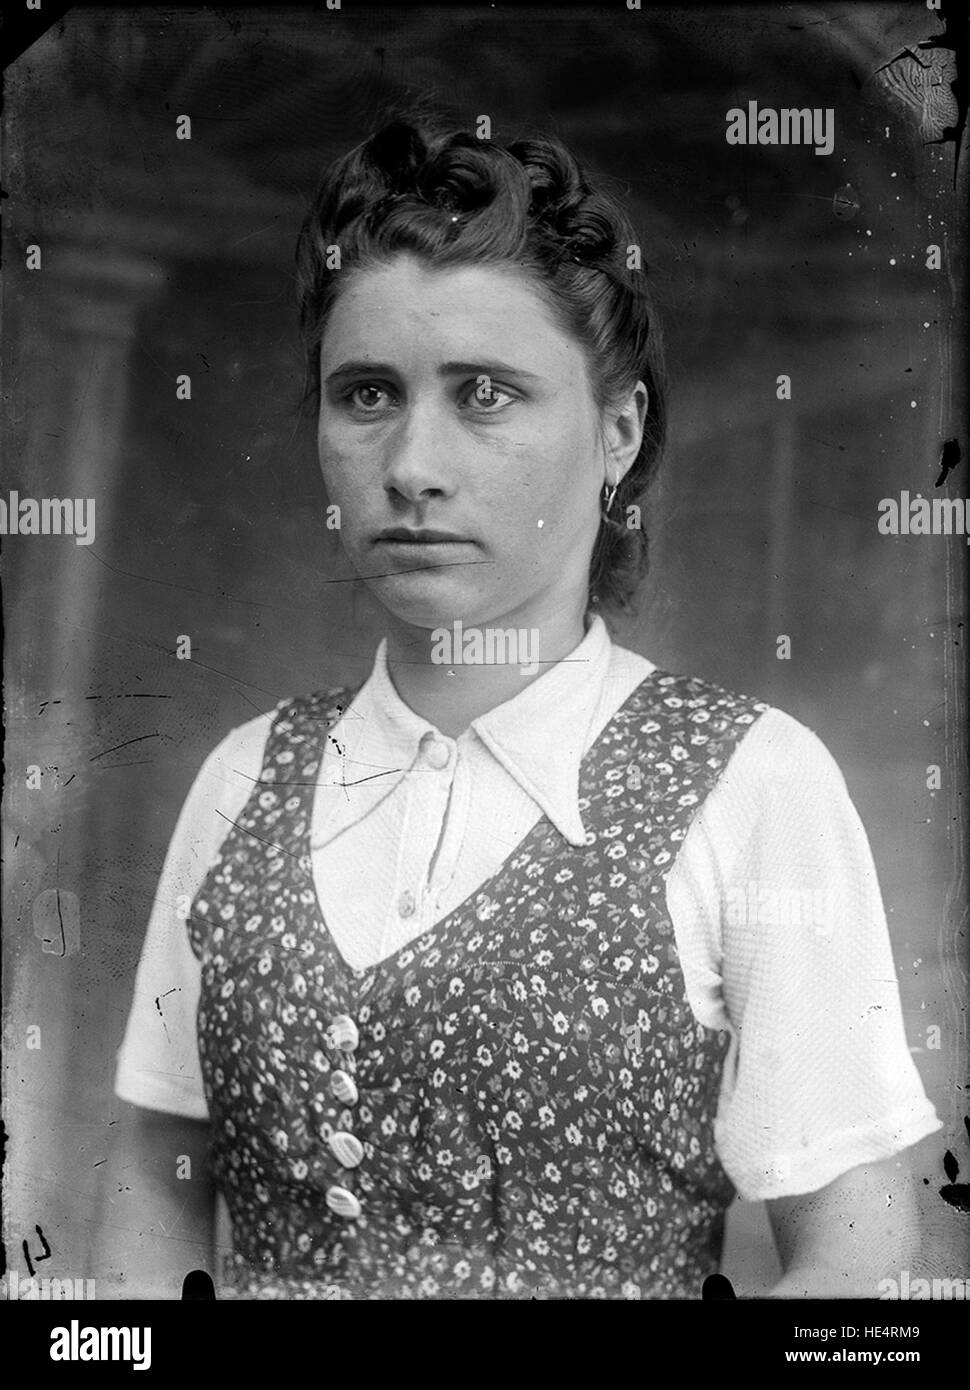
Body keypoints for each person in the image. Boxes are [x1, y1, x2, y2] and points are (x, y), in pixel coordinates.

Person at [107, 116, 940, 1300]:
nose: (410, 463)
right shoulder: (242, 776)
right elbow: (154, 1171)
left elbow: (859, 1261)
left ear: (617, 431)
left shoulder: (753, 784)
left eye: (485, 394)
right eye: (366, 395)